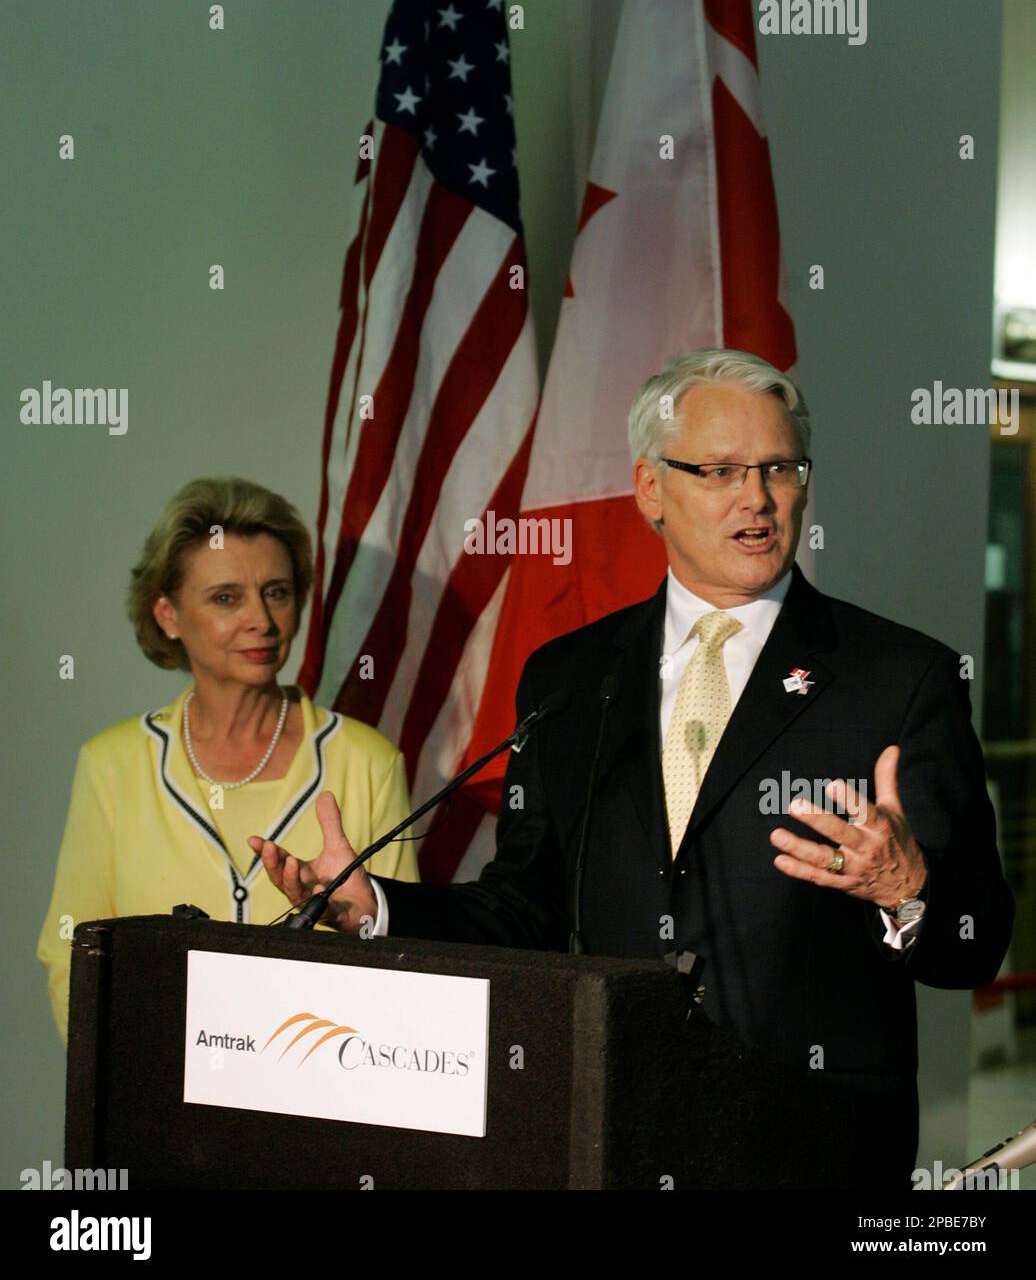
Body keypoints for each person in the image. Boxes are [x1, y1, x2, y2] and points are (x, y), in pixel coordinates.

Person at [249, 351, 1014, 1187]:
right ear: (651, 489)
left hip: (814, 1145)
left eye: (779, 469)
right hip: (607, 1127)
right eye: (720, 471)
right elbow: (526, 906)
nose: (756, 498)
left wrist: (906, 889)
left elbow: (974, 944)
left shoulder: (898, 678)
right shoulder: (571, 678)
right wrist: (376, 908)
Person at [38, 477, 418, 1044]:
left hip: (321, 1106)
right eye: (225, 598)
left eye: (277, 592)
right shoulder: (112, 766)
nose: (261, 621)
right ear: (167, 614)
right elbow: (74, 959)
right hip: (157, 1111)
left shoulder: (368, 762)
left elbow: (406, 968)